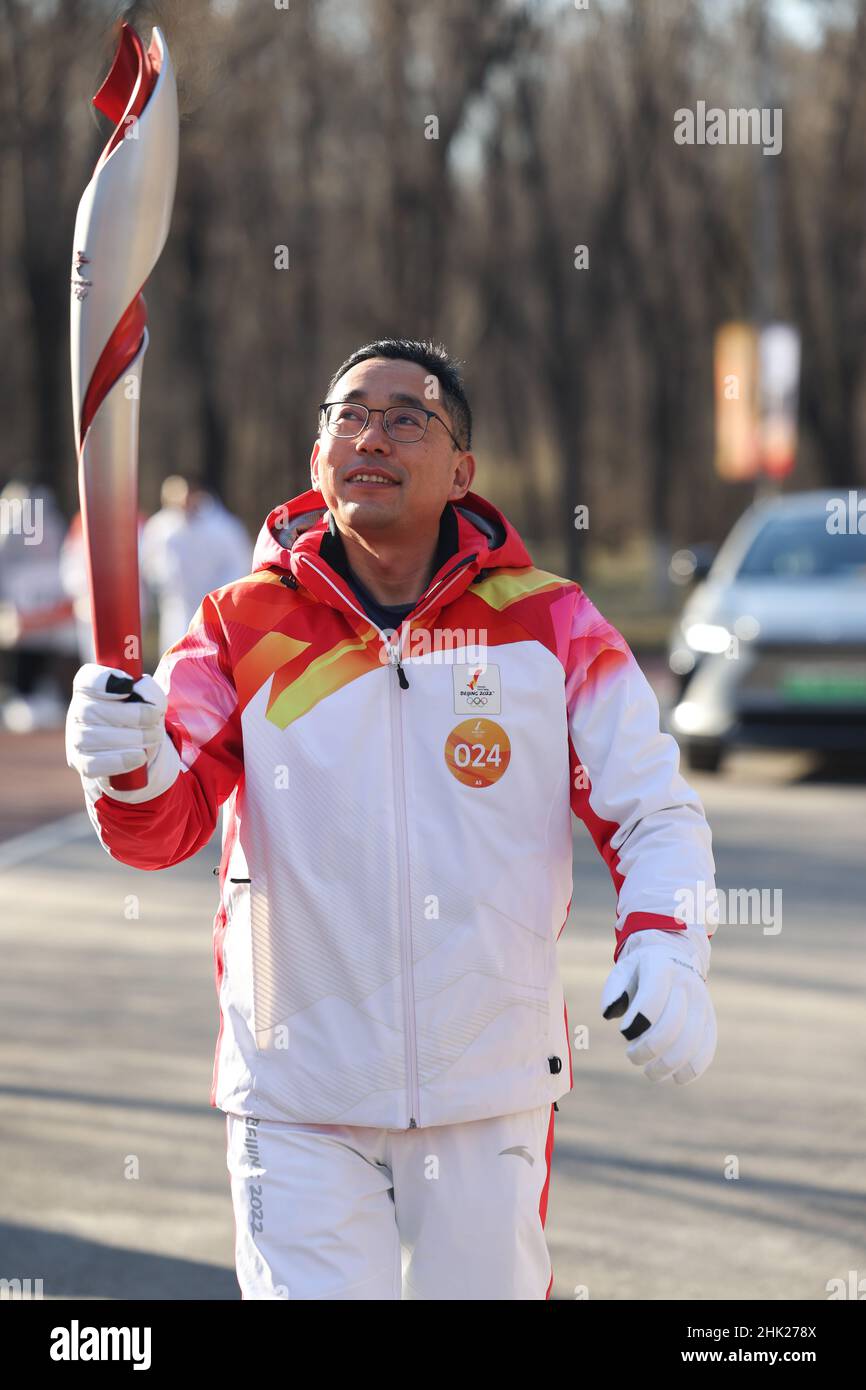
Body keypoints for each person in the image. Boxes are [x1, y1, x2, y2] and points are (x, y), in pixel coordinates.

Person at [65, 338, 718, 1301]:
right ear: (317, 457)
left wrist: (670, 944)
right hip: (295, 1095)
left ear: (463, 471)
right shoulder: (240, 628)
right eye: (348, 415)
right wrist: (121, 762)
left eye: (407, 416)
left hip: (488, 1087)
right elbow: (161, 827)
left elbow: (653, 811)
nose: (371, 434)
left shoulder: (551, 627)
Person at [139, 477, 252, 656]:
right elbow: (149, 561)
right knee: (173, 656)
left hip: (214, 608)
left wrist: (221, 595)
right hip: (175, 605)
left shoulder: (223, 527)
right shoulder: (161, 527)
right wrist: (163, 582)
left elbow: (238, 563)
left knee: (209, 657)